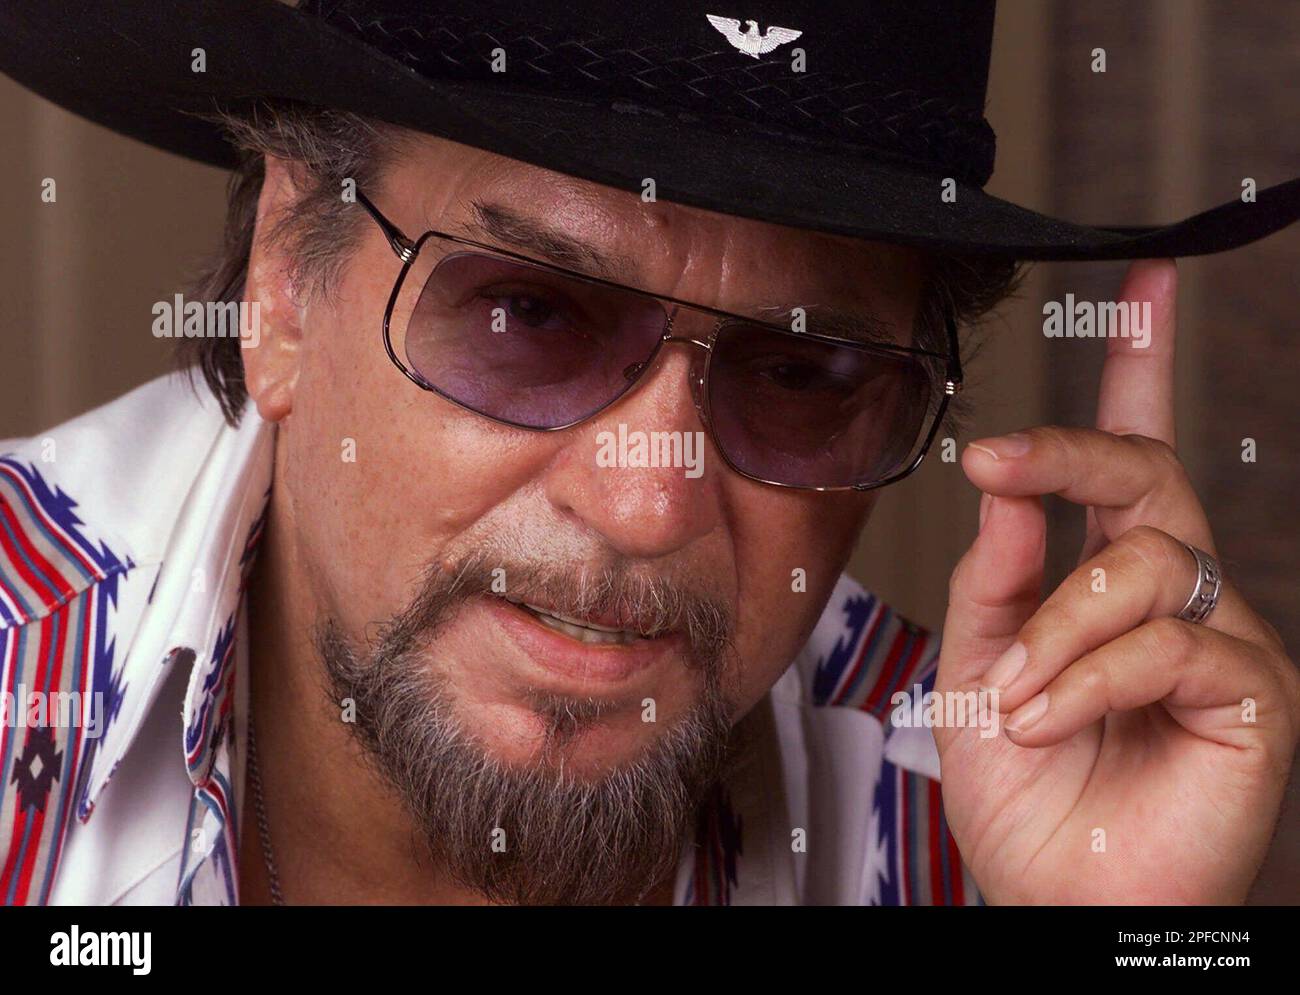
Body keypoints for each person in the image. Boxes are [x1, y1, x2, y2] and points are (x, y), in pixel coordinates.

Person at [0, 0, 1297, 906]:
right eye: (529, 315)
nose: (644, 502)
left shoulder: (989, 808)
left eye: (798, 374)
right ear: (287, 283)